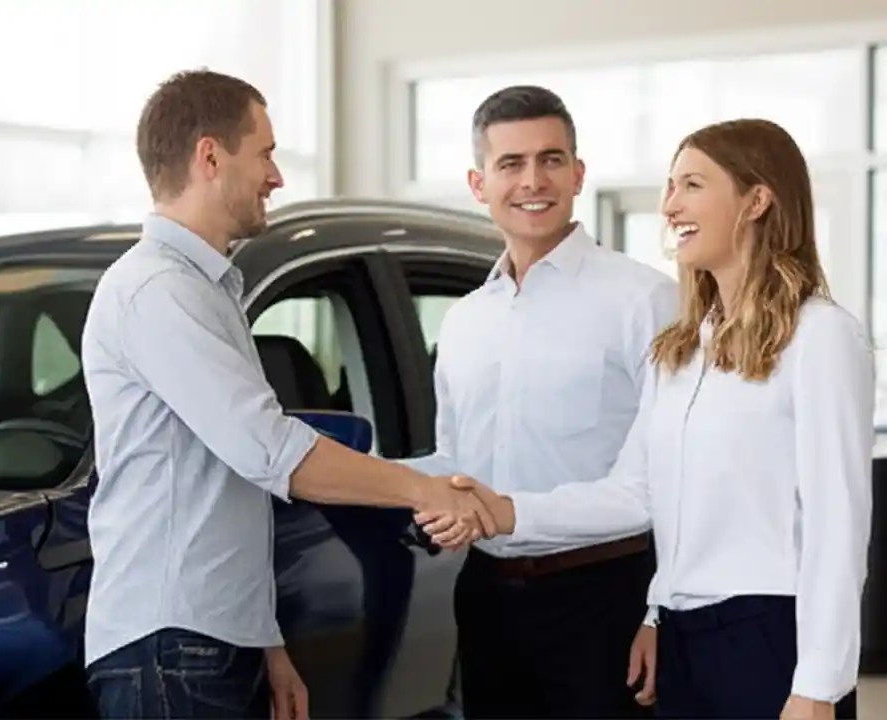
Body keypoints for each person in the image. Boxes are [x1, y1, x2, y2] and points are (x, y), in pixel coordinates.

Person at [424, 117, 873, 720]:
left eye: (691, 185)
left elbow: (836, 523)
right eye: (669, 186)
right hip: (685, 636)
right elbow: (641, 493)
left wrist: (820, 682)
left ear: (757, 199)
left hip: (769, 631)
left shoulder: (820, 336)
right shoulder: (684, 348)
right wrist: (655, 612)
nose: (669, 206)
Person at [79, 69, 490, 720]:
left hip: (205, 639)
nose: (276, 176)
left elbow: (220, 490)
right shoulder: (158, 292)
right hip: (171, 647)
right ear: (209, 156)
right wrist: (425, 489)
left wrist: (265, 641)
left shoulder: (202, 290)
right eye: (266, 153)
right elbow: (271, 450)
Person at [399, 84, 679, 718]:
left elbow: (677, 479)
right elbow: (455, 458)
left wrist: (661, 616)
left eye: (551, 160)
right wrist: (354, 473)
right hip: (485, 597)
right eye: (511, 164)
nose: (534, 180)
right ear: (478, 183)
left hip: (606, 596)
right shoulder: (465, 321)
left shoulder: (645, 302)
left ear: (578, 173)